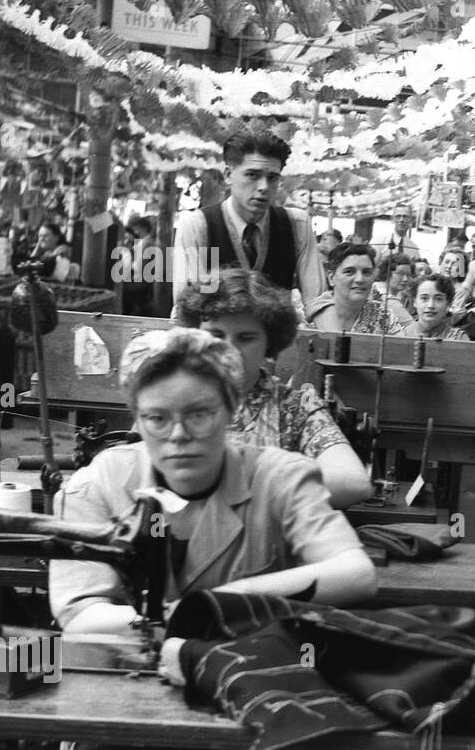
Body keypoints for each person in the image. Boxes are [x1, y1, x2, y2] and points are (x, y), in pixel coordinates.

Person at [49, 328, 376, 750]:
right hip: (122, 706)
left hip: (238, 701)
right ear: (137, 419)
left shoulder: (278, 475)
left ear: (232, 408)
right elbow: (80, 614)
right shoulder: (105, 480)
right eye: (156, 419)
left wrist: (213, 605)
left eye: (199, 414)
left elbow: (355, 572)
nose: (178, 436)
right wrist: (189, 622)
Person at [175, 268, 372, 509]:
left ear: (269, 342)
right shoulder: (172, 399)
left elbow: (354, 482)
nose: (228, 349)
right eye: (215, 334)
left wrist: (251, 486)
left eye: (246, 338)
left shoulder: (295, 409)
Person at [172, 130, 335, 329]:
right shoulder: (198, 226)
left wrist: (338, 345)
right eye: (252, 175)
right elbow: (187, 312)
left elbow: (318, 301)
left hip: (275, 352)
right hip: (214, 351)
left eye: (272, 177)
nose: (264, 187)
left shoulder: (297, 224)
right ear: (228, 175)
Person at [325, 241, 412, 333]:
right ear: (331, 278)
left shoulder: (383, 317)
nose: (360, 279)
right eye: (349, 272)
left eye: (366, 272)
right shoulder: (312, 316)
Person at [391, 274, 470, 341]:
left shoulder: (459, 339)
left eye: (438, 299)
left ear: (448, 303)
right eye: (424, 298)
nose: (430, 305)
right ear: (414, 301)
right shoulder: (402, 336)